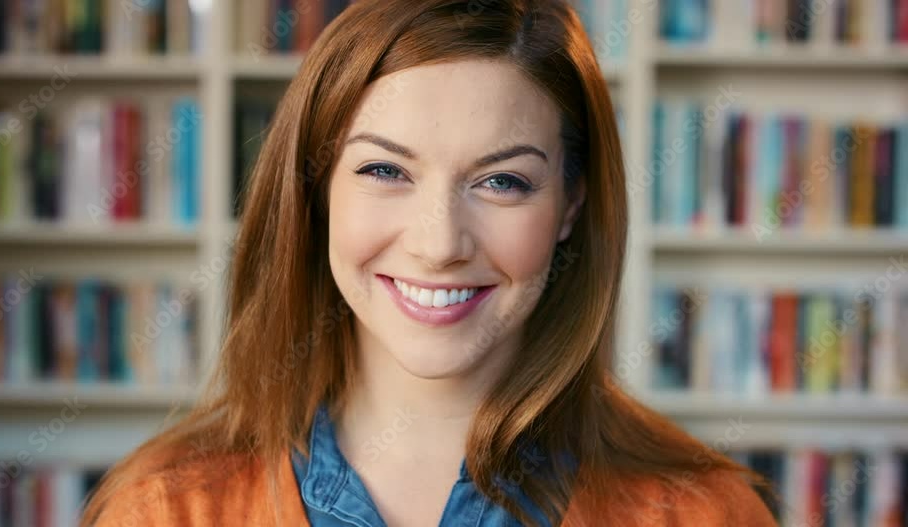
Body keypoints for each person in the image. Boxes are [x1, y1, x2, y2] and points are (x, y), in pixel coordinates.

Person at [81, 0, 777, 525]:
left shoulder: (705, 512)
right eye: (386, 169)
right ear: (317, 188)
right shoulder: (162, 509)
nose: (439, 242)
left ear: (570, 206)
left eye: (503, 181)